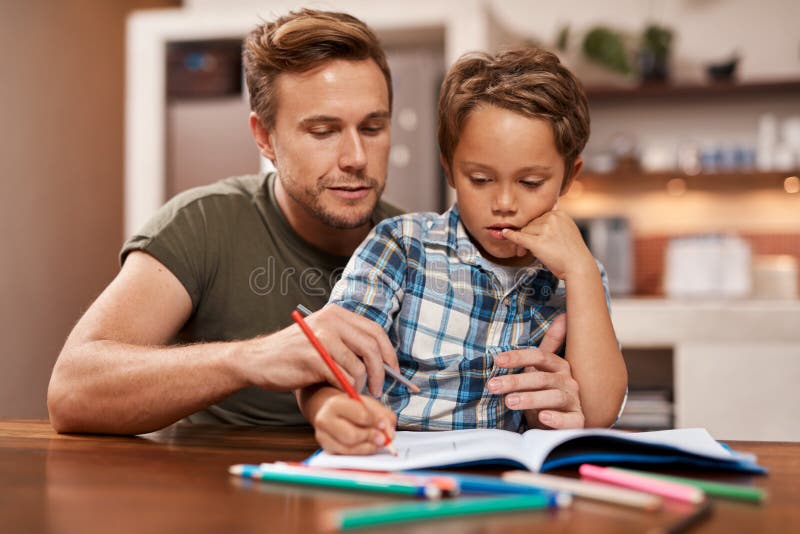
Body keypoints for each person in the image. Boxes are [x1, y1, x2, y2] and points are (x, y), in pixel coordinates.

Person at [47, 9, 587, 437]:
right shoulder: (204, 224)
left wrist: (552, 400)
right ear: (264, 138)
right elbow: (72, 391)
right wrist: (252, 358)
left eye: (372, 127)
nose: (355, 156)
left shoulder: (420, 247)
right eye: (323, 130)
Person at [298, 47, 627, 455]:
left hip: (504, 480)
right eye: (481, 178)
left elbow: (599, 414)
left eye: (530, 183)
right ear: (450, 168)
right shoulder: (401, 246)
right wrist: (331, 408)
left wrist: (581, 272)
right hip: (394, 464)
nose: (504, 202)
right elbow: (326, 366)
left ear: (567, 177)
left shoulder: (578, 275)